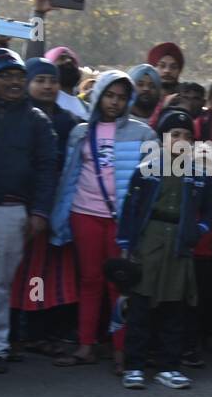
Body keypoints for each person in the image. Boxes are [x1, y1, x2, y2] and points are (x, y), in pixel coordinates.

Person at [50, 69, 154, 372]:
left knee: (120, 286)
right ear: (99, 96)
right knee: (90, 281)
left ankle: (122, 351)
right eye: (109, 95)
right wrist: (58, 217)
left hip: (121, 221)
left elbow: (151, 181)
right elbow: (68, 177)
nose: (115, 102)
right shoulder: (81, 132)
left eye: (122, 97)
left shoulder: (143, 133)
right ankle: (86, 346)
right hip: (84, 214)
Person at [116, 109, 212, 389]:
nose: (181, 140)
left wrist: (198, 231)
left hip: (179, 245)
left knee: (174, 308)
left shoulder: (201, 173)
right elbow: (130, 207)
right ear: (163, 139)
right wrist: (126, 243)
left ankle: (169, 367)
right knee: (140, 306)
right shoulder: (146, 169)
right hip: (149, 241)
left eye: (187, 136)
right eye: (175, 135)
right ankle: (134, 366)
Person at [0, 48, 58, 372]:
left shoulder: (36, 121)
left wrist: (40, 212)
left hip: (11, 210)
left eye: (19, 76)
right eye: (6, 76)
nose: (14, 82)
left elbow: (47, 169)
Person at [10, 57, 77, 358]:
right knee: (9, 274)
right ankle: (11, 333)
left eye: (52, 80)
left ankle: (38, 332)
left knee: (43, 276)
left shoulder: (69, 122)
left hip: (53, 209)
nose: (48, 86)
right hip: (17, 206)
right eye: (40, 80)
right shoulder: (16, 118)